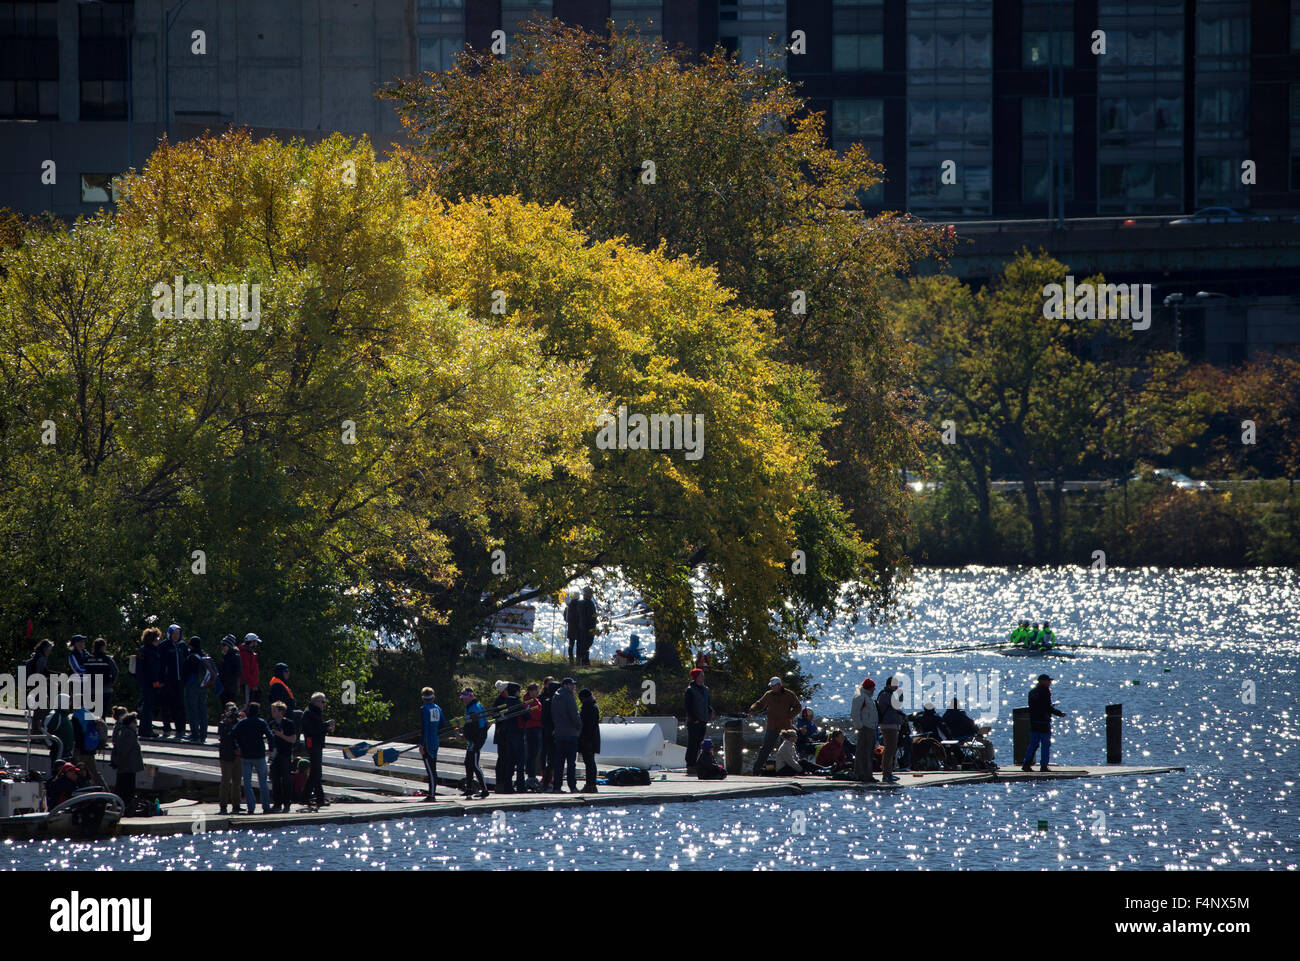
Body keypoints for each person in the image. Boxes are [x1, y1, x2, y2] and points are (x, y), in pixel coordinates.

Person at [748, 677, 802, 775]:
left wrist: (790, 716)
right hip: (772, 726)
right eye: (771, 686)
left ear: (779, 685)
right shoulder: (768, 695)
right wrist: (753, 709)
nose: (772, 687)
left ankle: (795, 769)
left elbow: (798, 707)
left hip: (785, 728)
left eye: (774, 686)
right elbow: (760, 704)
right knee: (765, 749)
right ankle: (756, 771)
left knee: (789, 749)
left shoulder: (789, 695)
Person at [232, 701, 273, 814]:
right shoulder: (261, 722)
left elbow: (232, 735)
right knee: (263, 782)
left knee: (247, 783)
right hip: (259, 755)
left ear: (248, 711)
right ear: (258, 711)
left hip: (246, 756)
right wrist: (271, 749)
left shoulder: (243, 723)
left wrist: (237, 747)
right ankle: (266, 806)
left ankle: (251, 808)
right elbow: (270, 736)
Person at [1023, 674, 1066, 772]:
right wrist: (1059, 713)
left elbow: (1034, 706)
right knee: (1045, 745)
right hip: (1043, 722)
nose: (1050, 683)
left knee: (1033, 744)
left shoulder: (1032, 692)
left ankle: (1026, 764)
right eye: (1048, 681)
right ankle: (1043, 766)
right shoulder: (1045, 692)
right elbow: (1047, 707)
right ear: (1042, 681)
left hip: (1034, 721)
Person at [300, 691, 334, 810]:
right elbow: (314, 729)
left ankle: (320, 798)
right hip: (312, 744)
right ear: (316, 702)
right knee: (316, 773)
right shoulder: (309, 713)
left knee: (316, 772)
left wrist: (327, 728)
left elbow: (319, 728)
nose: (324, 704)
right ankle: (304, 796)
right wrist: (326, 725)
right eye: (323, 702)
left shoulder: (315, 712)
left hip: (316, 744)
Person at [550, 677, 581, 793]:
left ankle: (557, 787)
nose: (573, 687)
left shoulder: (555, 696)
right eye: (571, 685)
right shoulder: (569, 696)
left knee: (559, 763)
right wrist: (579, 726)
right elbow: (574, 715)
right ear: (565, 685)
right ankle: (572, 786)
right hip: (570, 733)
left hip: (559, 733)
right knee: (571, 763)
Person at [109, 712, 143, 812]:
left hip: (126, 766)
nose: (136, 724)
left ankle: (122, 805)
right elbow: (124, 751)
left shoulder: (125, 732)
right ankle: (125, 807)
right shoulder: (128, 734)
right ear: (130, 723)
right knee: (127, 788)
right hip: (127, 767)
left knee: (124, 787)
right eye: (135, 722)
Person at [459, 687, 490, 799]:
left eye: (466, 698)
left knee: (475, 765)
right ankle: (469, 789)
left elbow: (473, 728)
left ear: (471, 696)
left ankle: (485, 790)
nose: (464, 700)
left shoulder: (473, 708)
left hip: (476, 739)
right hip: (473, 739)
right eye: (463, 698)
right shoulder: (473, 706)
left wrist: (464, 736)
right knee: (468, 763)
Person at [268, 701, 298, 813]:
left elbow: (293, 739)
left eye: (274, 710)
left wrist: (281, 735)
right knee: (275, 779)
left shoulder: (289, 723)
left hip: (285, 753)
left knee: (286, 779)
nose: (272, 713)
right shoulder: (271, 723)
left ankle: (287, 803)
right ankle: (277, 803)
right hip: (274, 754)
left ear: (281, 712)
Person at [158, 624, 186, 740]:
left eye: (178, 634)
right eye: (174, 634)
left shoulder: (182, 645)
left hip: (179, 681)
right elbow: (160, 665)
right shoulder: (164, 646)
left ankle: (180, 729)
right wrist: (160, 680)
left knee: (179, 706)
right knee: (165, 705)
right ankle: (166, 728)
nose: (176, 636)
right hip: (167, 681)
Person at [491, 682, 519, 795]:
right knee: (503, 760)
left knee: (505, 759)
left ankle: (503, 784)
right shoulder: (500, 701)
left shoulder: (504, 701)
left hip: (503, 734)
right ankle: (501, 784)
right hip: (502, 734)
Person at [683, 667, 713, 771]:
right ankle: (690, 764)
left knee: (699, 742)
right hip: (694, 721)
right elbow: (688, 707)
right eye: (701, 676)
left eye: (703, 675)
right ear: (696, 677)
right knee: (692, 743)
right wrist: (694, 718)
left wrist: (710, 711)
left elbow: (707, 703)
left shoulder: (706, 689)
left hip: (703, 720)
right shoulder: (690, 690)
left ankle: (696, 763)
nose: (703, 677)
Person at [875, 676, 904, 783]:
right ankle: (886, 774)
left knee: (893, 749)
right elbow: (896, 704)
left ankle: (889, 772)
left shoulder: (891, 694)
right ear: (888, 685)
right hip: (887, 725)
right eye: (894, 684)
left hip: (893, 725)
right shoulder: (884, 695)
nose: (896, 686)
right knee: (889, 749)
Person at [134, 627, 162, 739]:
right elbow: (153, 669)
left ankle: (143, 729)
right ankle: (147, 729)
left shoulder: (142, 650)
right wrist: (156, 683)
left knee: (146, 705)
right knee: (149, 706)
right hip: (151, 683)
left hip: (143, 682)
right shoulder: (151, 651)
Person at [182, 636, 210, 744]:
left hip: (192, 686)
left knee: (192, 709)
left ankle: (195, 733)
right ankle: (203, 734)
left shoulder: (191, 657)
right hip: (204, 686)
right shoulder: (204, 655)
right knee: (202, 709)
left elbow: (185, 673)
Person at [217, 702, 243, 815]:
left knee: (237, 782)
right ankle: (223, 806)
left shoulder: (239, 723)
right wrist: (227, 721)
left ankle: (236, 805)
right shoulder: (223, 724)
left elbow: (242, 737)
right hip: (226, 756)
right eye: (229, 710)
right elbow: (225, 737)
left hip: (238, 756)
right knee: (225, 781)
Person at [24, 639, 53, 734]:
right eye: (49, 649)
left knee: (41, 708)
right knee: (44, 708)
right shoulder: (41, 659)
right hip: (38, 688)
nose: (50, 651)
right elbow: (39, 674)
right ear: (45, 649)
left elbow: (45, 671)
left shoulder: (38, 656)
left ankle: (36, 729)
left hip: (36, 687)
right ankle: (37, 730)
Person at [43, 693, 76, 777]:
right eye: (68, 702)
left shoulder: (65, 716)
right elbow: (46, 730)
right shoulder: (56, 715)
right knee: (58, 773)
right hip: (59, 751)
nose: (70, 704)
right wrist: (51, 745)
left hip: (67, 751)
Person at [418, 686, 442, 800]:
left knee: (430, 770)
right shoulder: (438, 708)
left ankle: (432, 795)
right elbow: (442, 723)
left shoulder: (424, 709)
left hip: (427, 742)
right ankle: (432, 793)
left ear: (423, 698)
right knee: (433, 767)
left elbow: (425, 728)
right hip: (435, 741)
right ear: (434, 697)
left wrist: (422, 744)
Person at [84, 638, 118, 716]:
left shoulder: (87, 659)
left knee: (90, 714)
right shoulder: (107, 659)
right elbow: (115, 672)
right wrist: (111, 683)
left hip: (91, 689)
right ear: (103, 647)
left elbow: (83, 672)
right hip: (105, 689)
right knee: (102, 713)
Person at [577, 687, 601, 792]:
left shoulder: (588, 707)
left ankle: (590, 785)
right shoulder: (593, 706)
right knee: (591, 762)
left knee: (589, 762)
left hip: (588, 739)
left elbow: (585, 725)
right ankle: (592, 784)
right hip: (593, 739)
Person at [522, 683, 543, 789]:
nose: (538, 692)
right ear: (530, 691)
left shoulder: (536, 700)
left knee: (534, 754)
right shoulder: (528, 701)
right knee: (531, 754)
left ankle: (532, 775)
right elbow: (534, 715)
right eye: (536, 690)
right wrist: (541, 714)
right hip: (532, 728)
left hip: (537, 727)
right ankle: (530, 776)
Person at [539, 677, 558, 787]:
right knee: (543, 754)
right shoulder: (542, 697)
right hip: (545, 729)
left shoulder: (556, 698)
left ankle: (551, 776)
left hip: (553, 730)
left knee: (552, 754)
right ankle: (544, 775)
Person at [217, 636, 242, 706]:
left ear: (229, 646)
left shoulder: (234, 657)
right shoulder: (226, 656)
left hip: (230, 689)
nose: (222, 647)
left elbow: (238, 672)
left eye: (224, 645)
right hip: (225, 688)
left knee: (230, 710)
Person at [577, 587, 597, 665]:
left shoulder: (580, 603)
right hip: (587, 627)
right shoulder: (588, 603)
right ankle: (584, 661)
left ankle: (581, 660)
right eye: (590, 593)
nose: (591, 595)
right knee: (586, 644)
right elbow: (590, 617)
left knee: (583, 645)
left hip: (582, 627)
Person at [240, 633, 262, 707]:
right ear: (252, 642)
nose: (256, 644)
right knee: (247, 704)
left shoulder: (251, 653)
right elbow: (246, 671)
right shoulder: (244, 654)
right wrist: (252, 684)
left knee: (252, 702)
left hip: (252, 683)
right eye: (255, 642)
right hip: (247, 683)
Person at [563, 593, 580, 664]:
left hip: (571, 627)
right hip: (579, 627)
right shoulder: (580, 605)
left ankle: (571, 659)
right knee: (579, 645)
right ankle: (579, 660)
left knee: (571, 645)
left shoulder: (568, 607)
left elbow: (565, 618)